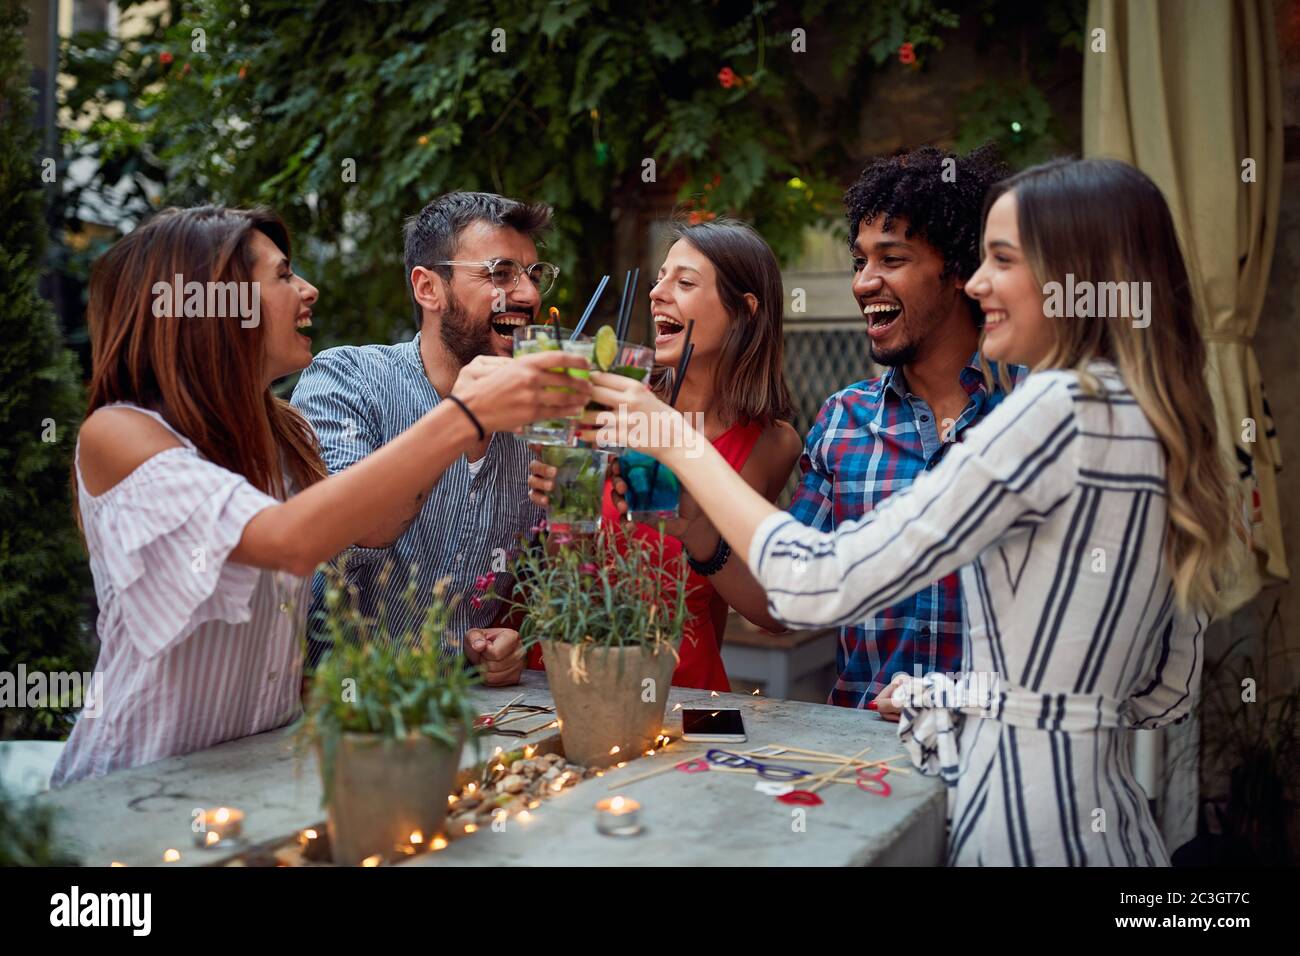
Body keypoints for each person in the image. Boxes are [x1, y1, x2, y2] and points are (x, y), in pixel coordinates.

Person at [587, 157, 1235, 866]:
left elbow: (817, 581)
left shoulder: (1050, 407)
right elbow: (1164, 690)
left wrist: (672, 438)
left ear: (1075, 279)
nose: (978, 280)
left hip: (1020, 828)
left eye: (1001, 260)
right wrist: (969, 696)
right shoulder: (1153, 416)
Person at [53, 205, 588, 787]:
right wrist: (464, 416)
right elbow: (289, 542)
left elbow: (370, 526)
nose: (308, 290)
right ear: (209, 304)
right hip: (137, 780)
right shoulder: (119, 433)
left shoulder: (283, 433)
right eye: (283, 276)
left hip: (262, 770)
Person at [291, 191, 563, 673]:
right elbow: (353, 530)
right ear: (428, 288)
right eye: (501, 274)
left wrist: (509, 641)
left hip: (467, 719)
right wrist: (462, 418)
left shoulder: (539, 425)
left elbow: (537, 584)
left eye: (533, 274)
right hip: (336, 714)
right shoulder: (346, 379)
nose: (528, 294)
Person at [528, 219, 801, 690]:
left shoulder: (772, 443)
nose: (657, 292)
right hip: (567, 671)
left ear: (744, 310)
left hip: (676, 689)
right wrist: (566, 505)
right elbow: (564, 570)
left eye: (685, 281)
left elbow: (774, 612)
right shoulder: (610, 401)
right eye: (659, 277)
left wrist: (697, 529)